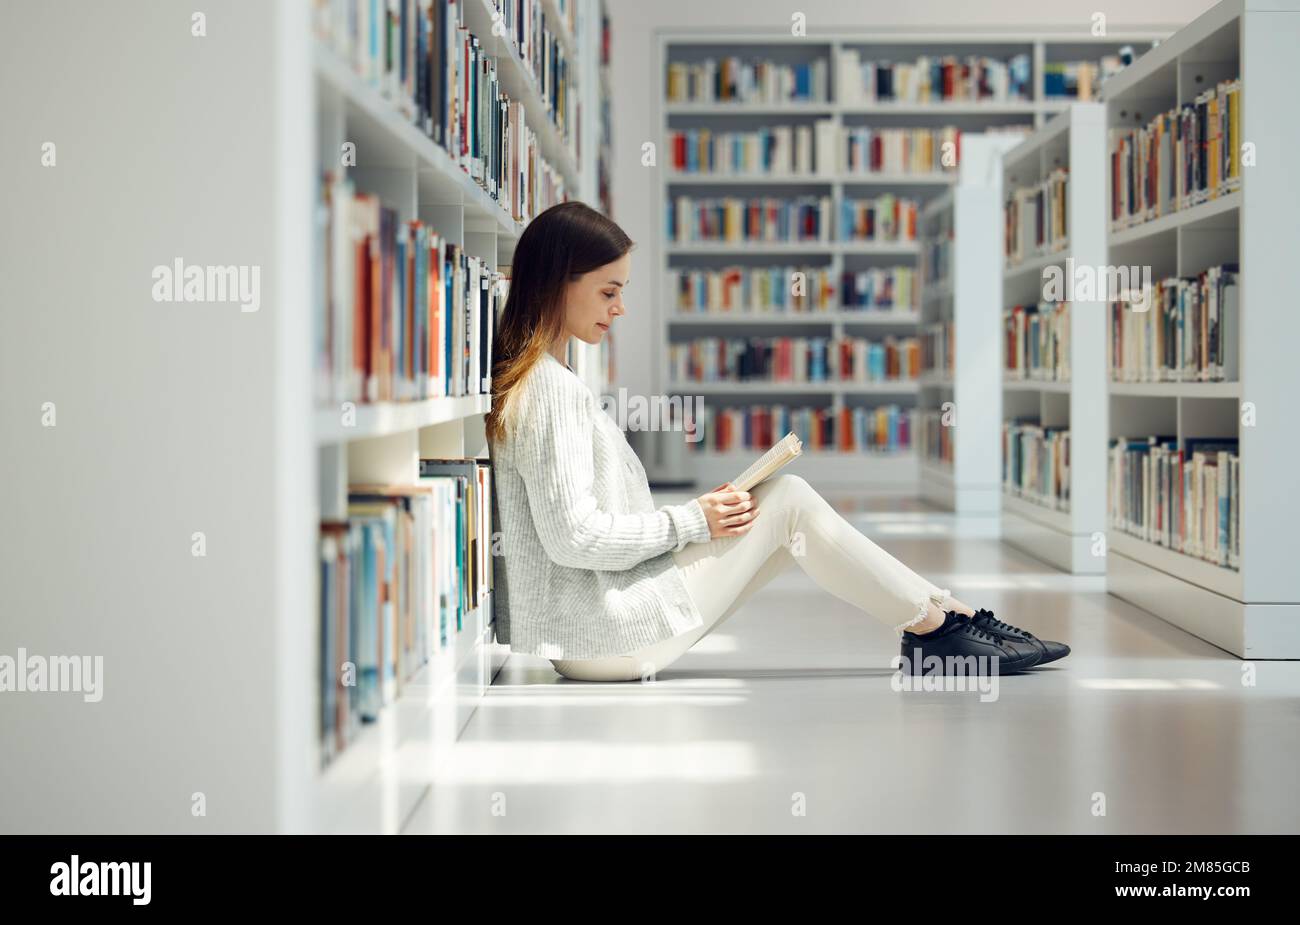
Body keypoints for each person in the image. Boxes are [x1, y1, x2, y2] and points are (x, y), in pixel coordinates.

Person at [484, 202, 1069, 683]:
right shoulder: (548, 388)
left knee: (780, 506)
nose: (621, 307)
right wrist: (692, 522)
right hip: (605, 640)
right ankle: (941, 625)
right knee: (788, 500)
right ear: (560, 282)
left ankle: (941, 619)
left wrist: (704, 516)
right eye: (609, 291)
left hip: (598, 631)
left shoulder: (545, 379)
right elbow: (574, 536)